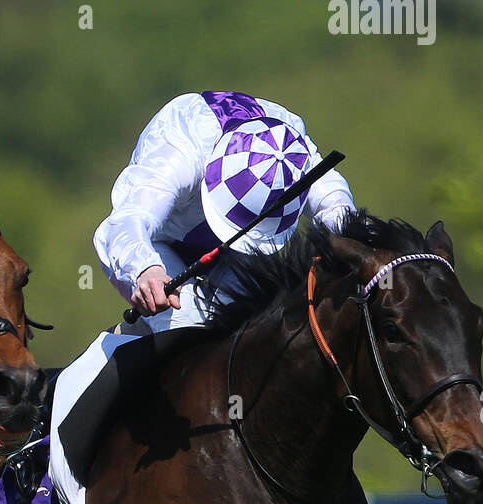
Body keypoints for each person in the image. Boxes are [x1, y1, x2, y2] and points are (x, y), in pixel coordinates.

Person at [93, 90, 355, 331]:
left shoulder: (293, 154)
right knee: (186, 325)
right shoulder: (180, 154)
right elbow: (127, 222)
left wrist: (360, 249)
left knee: (261, 321)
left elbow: (335, 205)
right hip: (158, 242)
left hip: (237, 252)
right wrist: (146, 270)